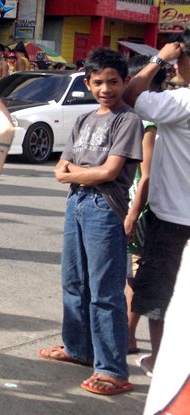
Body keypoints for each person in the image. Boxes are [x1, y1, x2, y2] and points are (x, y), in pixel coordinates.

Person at [39, 47, 142, 396]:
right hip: (78, 204)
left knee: (105, 292)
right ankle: (78, 349)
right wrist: (83, 175)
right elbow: (60, 167)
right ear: (87, 83)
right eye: (98, 82)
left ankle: (112, 368)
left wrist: (75, 175)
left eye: (113, 82)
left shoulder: (127, 120)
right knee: (73, 282)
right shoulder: (84, 120)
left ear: (125, 82)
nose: (106, 89)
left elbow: (111, 172)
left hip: (105, 208)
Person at [123, 32, 190, 378]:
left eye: (182, 58)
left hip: (175, 218)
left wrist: (158, 58)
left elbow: (131, 94)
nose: (177, 64)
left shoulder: (183, 102)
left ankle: (162, 362)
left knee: (160, 294)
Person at [122, 55, 164, 357]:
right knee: (133, 277)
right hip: (137, 206)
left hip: (145, 211)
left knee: (138, 277)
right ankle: (128, 336)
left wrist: (133, 214)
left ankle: (129, 337)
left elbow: (146, 176)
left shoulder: (149, 123)